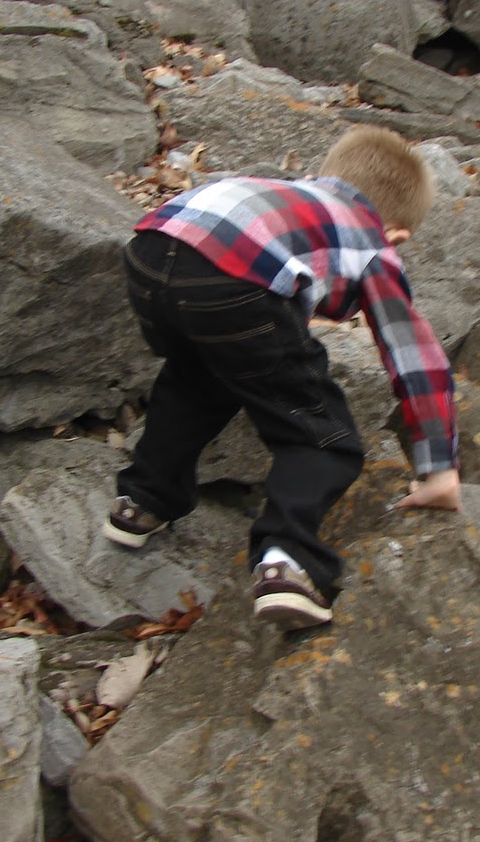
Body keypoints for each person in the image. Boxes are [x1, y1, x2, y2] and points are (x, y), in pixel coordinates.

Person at [103, 124, 461, 631]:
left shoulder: (287, 194)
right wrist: (439, 467)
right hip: (235, 282)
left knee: (197, 379)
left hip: (150, 250)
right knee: (320, 436)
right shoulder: (372, 241)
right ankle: (286, 561)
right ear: (397, 234)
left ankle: (142, 500)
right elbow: (414, 355)